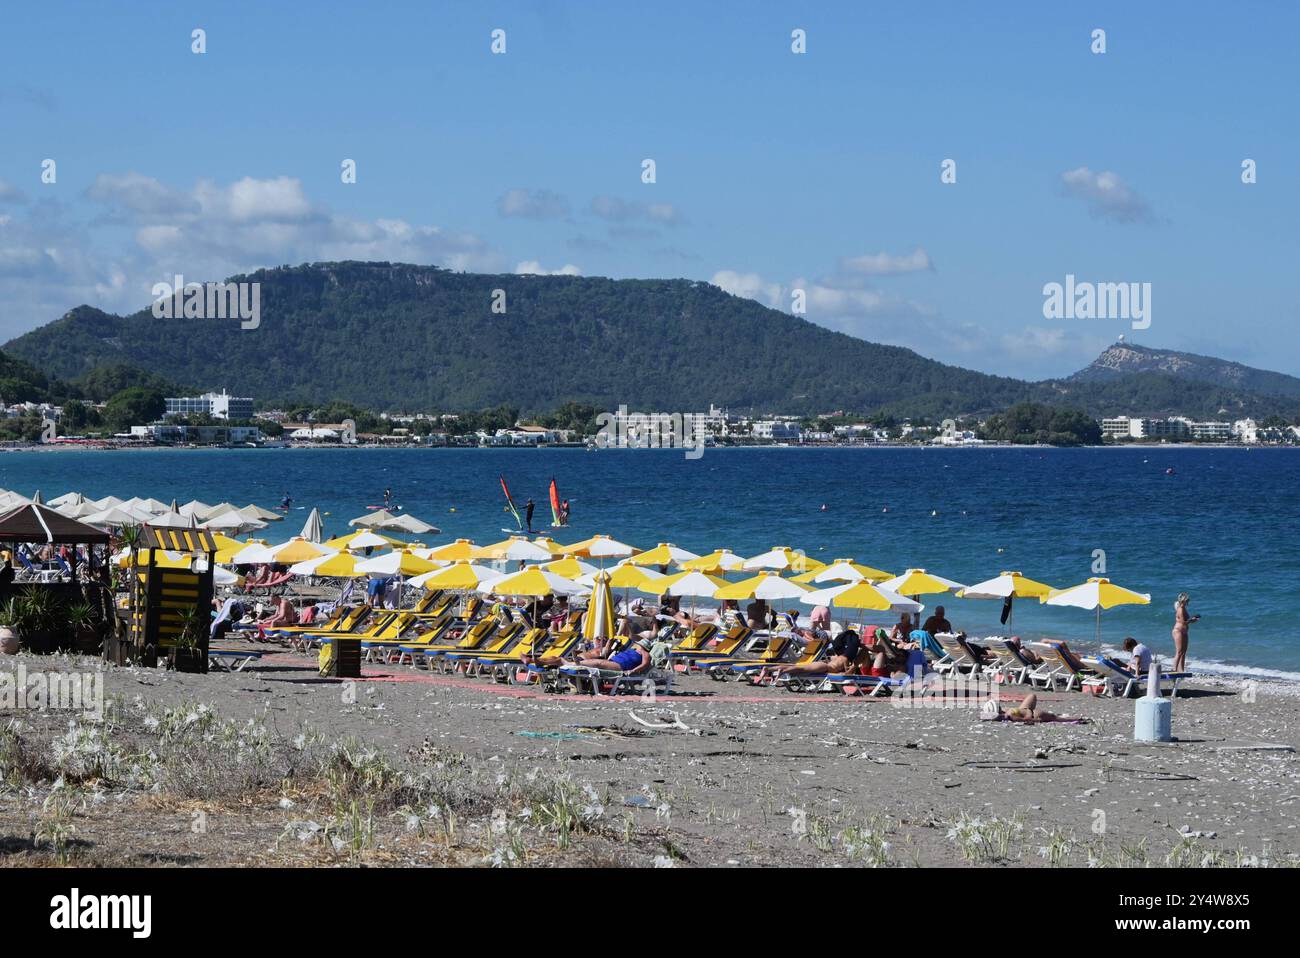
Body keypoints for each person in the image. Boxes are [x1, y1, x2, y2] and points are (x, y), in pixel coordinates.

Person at [766, 629, 864, 681]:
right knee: (801, 669)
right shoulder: (845, 660)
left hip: (824, 664)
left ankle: (769, 668)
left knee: (799, 667)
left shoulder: (838, 657)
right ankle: (780, 670)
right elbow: (847, 673)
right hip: (825, 667)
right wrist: (847, 671)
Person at [985, 692, 1086, 724]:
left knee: (1032, 696)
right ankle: (1077, 718)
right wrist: (1036, 720)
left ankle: (1075, 718)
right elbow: (1025, 720)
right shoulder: (1009, 715)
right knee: (1057, 718)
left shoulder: (1005, 712)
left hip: (1026, 710)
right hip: (1034, 714)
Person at [572, 635, 652, 674]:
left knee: (599, 663)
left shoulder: (645, 653)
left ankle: (578, 663)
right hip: (615, 661)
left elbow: (644, 665)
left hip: (621, 666)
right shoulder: (634, 650)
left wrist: (632, 671)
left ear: (642, 646)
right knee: (598, 662)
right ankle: (576, 663)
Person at [1172, 593, 1199, 673]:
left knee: (1183, 652)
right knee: (1179, 651)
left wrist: (1192, 620)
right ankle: (1174, 669)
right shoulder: (1180, 609)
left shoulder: (1184, 608)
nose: (1188, 601)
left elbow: (1186, 621)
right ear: (1183, 601)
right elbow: (1183, 622)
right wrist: (1192, 620)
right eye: (1187, 600)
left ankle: (1181, 670)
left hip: (1184, 631)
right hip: (1178, 631)